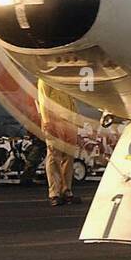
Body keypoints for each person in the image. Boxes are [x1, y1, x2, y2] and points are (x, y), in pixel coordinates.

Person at [37, 78, 79, 207]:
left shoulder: (65, 79)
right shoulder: (45, 80)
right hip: (54, 120)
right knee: (54, 156)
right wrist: (47, 121)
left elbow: (72, 99)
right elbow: (43, 100)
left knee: (68, 157)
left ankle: (66, 189)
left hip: (69, 121)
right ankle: (54, 193)